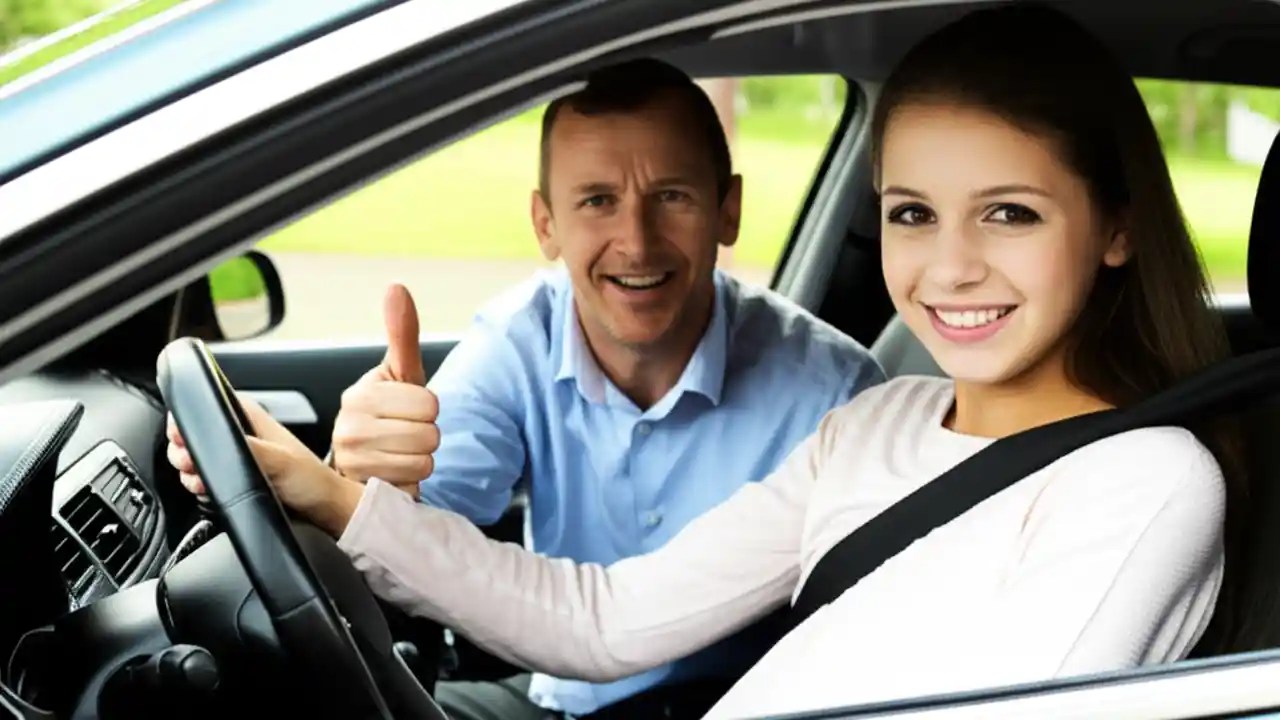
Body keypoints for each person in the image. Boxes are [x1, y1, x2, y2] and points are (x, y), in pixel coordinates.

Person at [167, 4, 1246, 718]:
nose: (951, 267)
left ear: (1115, 226)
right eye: (913, 213)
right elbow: (604, 618)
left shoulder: (1146, 480)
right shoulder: (878, 423)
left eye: (1008, 213)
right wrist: (333, 497)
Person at [237, 58, 884, 719]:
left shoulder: (835, 392)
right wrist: (365, 472)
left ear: (728, 210)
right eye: (598, 201)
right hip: (564, 700)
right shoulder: (517, 344)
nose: (636, 242)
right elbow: (413, 527)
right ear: (545, 224)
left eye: (671, 197)